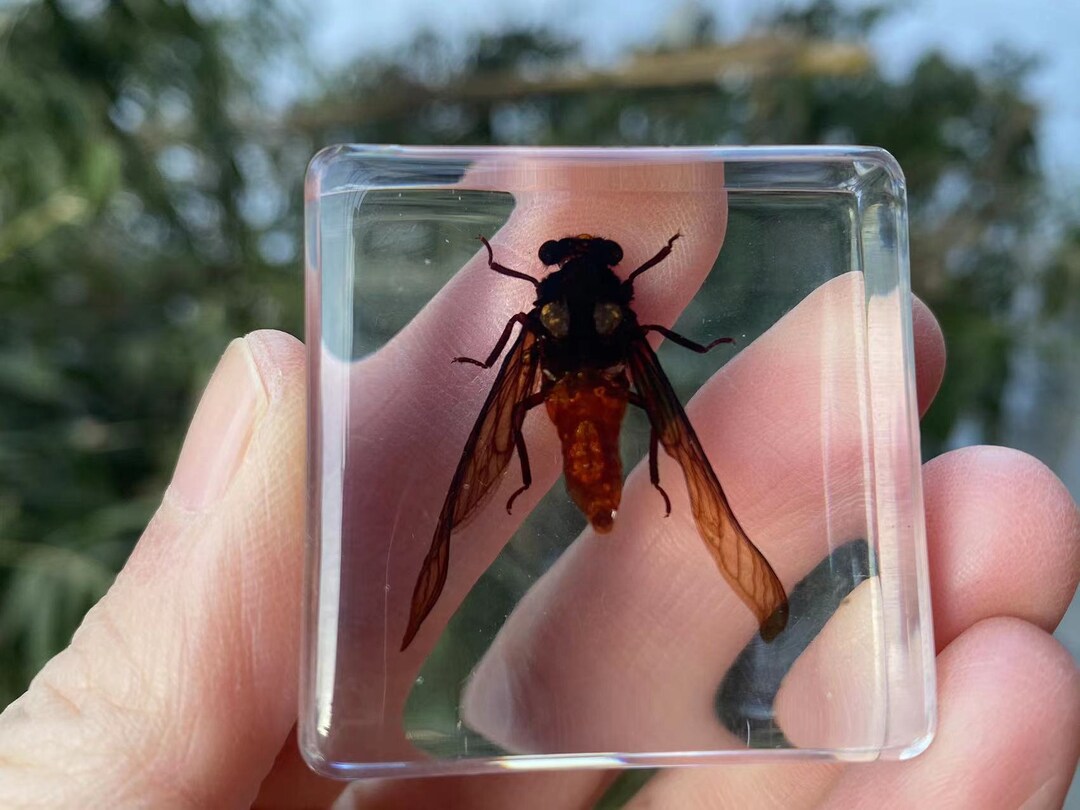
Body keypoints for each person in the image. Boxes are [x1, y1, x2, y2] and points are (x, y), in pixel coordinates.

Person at [0, 163, 1076, 808]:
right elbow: (644, 340)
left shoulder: (536, 316)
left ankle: (598, 495)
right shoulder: (604, 310)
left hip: (569, 406)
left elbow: (509, 359)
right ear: (599, 280)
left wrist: (526, 396)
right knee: (665, 475)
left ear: (562, 279)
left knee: (577, 465)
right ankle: (619, 502)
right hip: (589, 401)